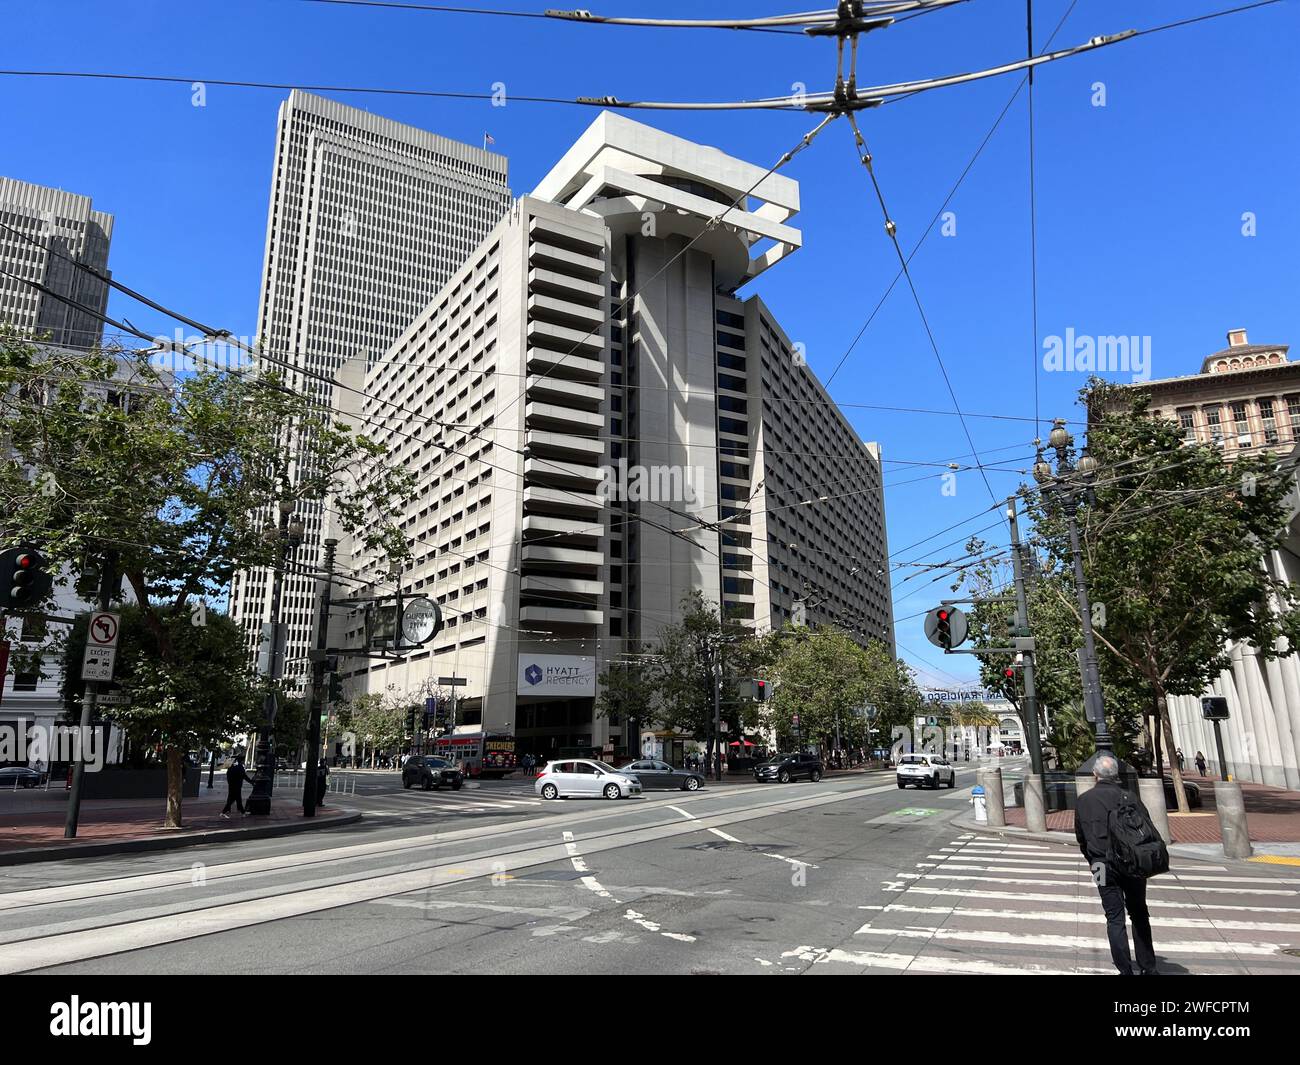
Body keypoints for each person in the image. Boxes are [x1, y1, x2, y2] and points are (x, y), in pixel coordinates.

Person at [1074, 753, 1158, 975]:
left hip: (1100, 865)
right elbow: (1147, 828)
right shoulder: (1129, 796)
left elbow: (1080, 837)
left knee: (1113, 916)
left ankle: (1125, 969)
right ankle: (1148, 967)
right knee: (1139, 913)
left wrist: (1092, 859)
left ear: (1095, 775)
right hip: (1132, 863)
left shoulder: (1084, 800)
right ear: (1116, 775)